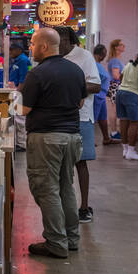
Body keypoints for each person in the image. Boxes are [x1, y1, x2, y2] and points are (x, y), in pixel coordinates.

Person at [18, 26, 86, 259]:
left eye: (33, 44)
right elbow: (80, 103)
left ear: (44, 46)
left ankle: (56, 242)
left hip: (46, 138)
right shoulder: (75, 70)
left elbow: (24, 110)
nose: (31, 48)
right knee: (66, 187)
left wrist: (11, 102)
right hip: (72, 137)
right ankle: (71, 238)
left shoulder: (37, 73)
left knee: (47, 190)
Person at [59, 27, 102, 223]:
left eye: (59, 40)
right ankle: (62, 206)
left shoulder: (84, 56)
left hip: (81, 117)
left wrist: (71, 87)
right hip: (57, 116)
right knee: (60, 164)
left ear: (68, 40)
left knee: (80, 161)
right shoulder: (53, 56)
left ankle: (84, 207)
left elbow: (96, 86)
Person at [92, 44, 113, 145]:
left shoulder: (98, 65)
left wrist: (106, 90)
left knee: (102, 118)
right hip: (96, 96)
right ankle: (89, 141)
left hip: (102, 95)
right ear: (100, 54)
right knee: (92, 120)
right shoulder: (93, 65)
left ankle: (106, 138)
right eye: (104, 54)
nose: (105, 56)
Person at [106, 39, 127, 140]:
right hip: (115, 86)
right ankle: (114, 132)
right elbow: (116, 76)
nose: (124, 46)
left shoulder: (116, 60)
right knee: (114, 110)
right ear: (116, 47)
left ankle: (115, 132)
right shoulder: (115, 60)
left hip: (116, 86)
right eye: (121, 44)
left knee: (115, 110)